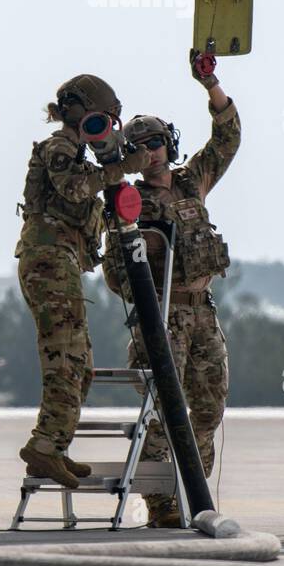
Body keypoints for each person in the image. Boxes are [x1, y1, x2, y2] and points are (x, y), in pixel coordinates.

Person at [102, 51, 241, 526]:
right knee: (160, 414)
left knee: (206, 408)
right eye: (142, 146)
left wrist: (211, 83)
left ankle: (196, 504)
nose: (153, 151)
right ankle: (162, 507)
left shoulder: (190, 185)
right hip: (161, 317)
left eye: (158, 142)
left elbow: (227, 138)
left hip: (201, 310)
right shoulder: (128, 202)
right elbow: (115, 274)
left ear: (169, 145)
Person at [16, 73, 151, 489]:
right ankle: (44, 448)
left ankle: (54, 445)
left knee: (82, 366)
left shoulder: (75, 152)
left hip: (63, 262)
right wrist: (119, 170)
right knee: (65, 361)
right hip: (49, 261)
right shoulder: (59, 147)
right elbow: (74, 191)